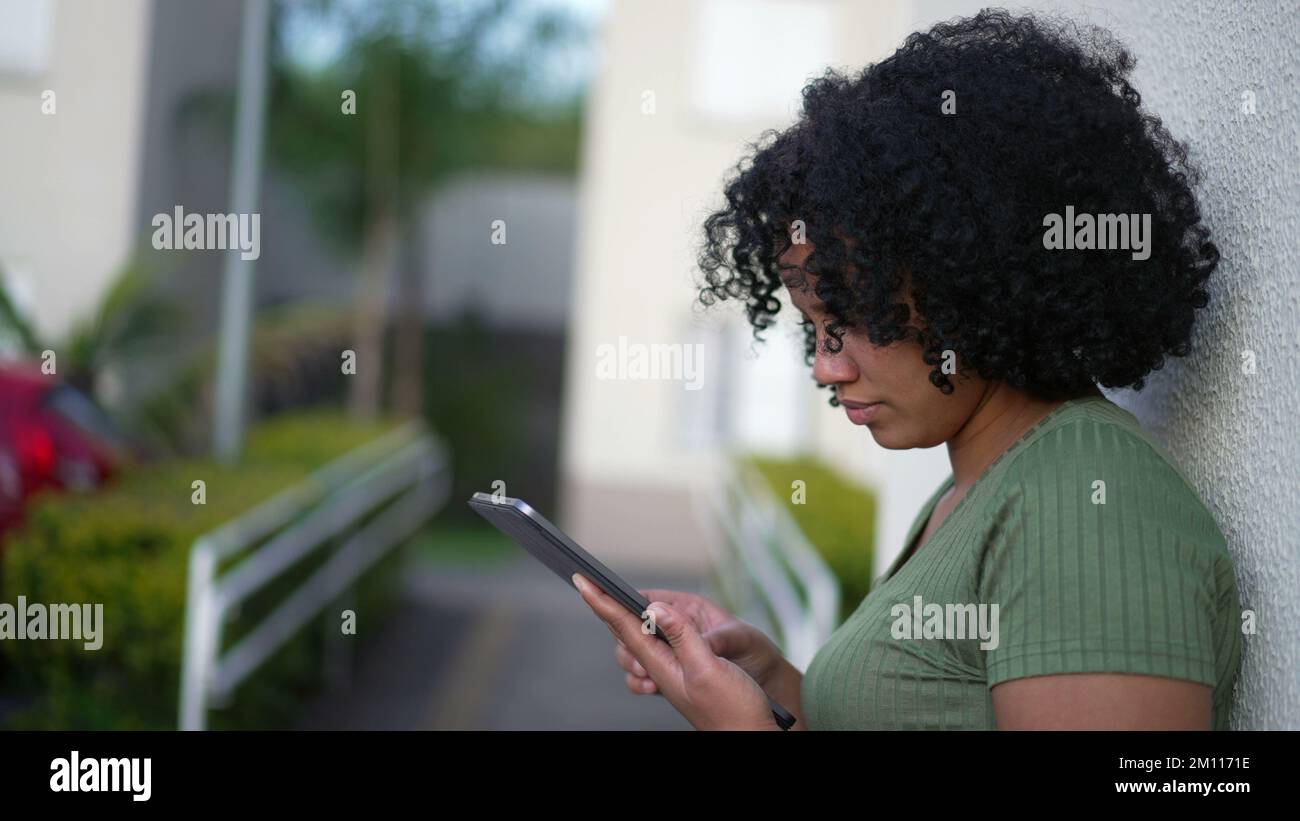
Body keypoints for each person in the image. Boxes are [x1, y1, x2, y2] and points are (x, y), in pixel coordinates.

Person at [574, 9, 1241, 730]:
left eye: (855, 315)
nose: (826, 367)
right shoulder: (975, 490)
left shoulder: (1086, 496)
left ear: (975, 277)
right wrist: (767, 682)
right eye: (814, 328)